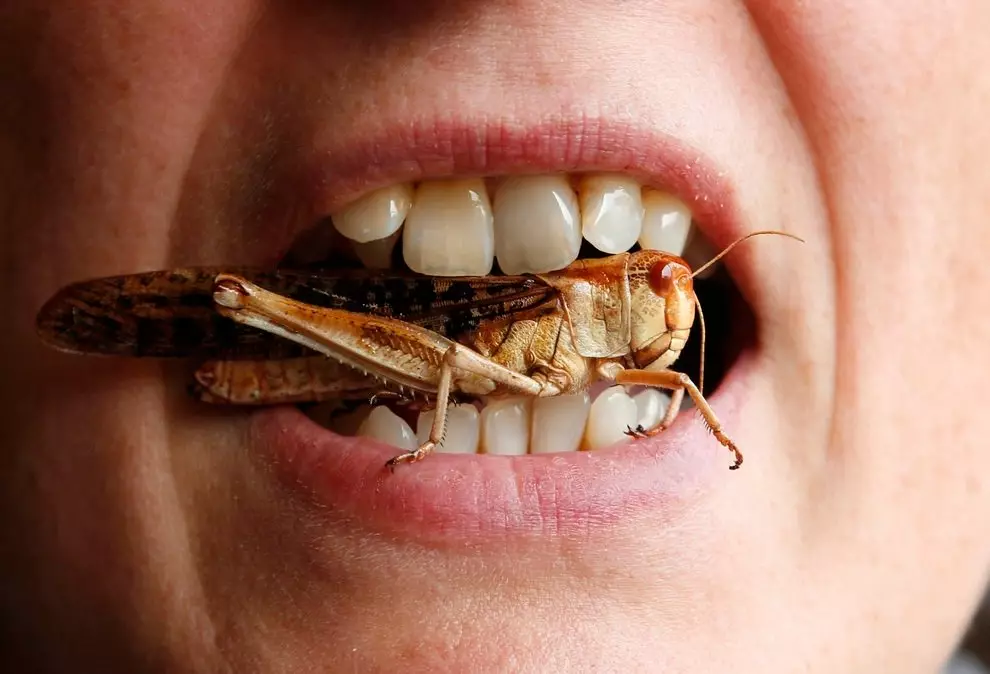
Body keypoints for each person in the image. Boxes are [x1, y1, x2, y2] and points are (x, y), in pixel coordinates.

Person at [3, 2, 990, 672]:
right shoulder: (551, 314)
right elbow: (449, 358)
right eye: (654, 279)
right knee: (343, 324)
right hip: (410, 336)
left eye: (672, 283)